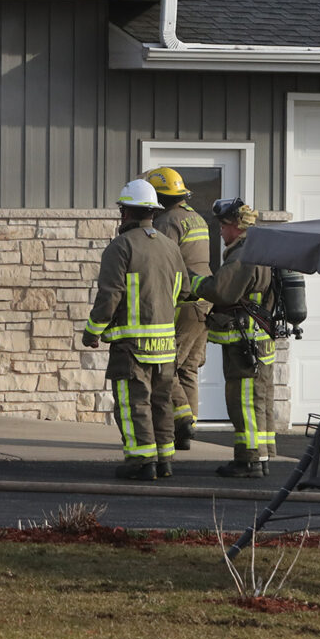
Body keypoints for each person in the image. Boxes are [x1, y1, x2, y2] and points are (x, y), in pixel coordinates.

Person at [81, 179, 186, 481]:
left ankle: (141, 462)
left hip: (132, 347)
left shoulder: (120, 247)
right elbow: (182, 290)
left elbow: (109, 296)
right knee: (161, 403)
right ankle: (165, 461)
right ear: (151, 212)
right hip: (165, 347)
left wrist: (92, 332)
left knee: (133, 404)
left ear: (125, 213)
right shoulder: (170, 247)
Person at [191, 198, 276, 478]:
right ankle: (260, 457)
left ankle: (248, 460)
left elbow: (222, 291)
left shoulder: (243, 254)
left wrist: (193, 282)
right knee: (259, 399)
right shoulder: (264, 249)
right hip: (261, 339)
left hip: (244, 343)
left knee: (243, 401)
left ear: (237, 227)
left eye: (224, 226)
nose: (221, 232)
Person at [144, 167, 213, 451]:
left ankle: (181, 420)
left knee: (165, 364)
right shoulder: (197, 218)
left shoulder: (167, 223)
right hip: (204, 302)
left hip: (183, 304)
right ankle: (187, 431)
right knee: (189, 370)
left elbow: (162, 260)